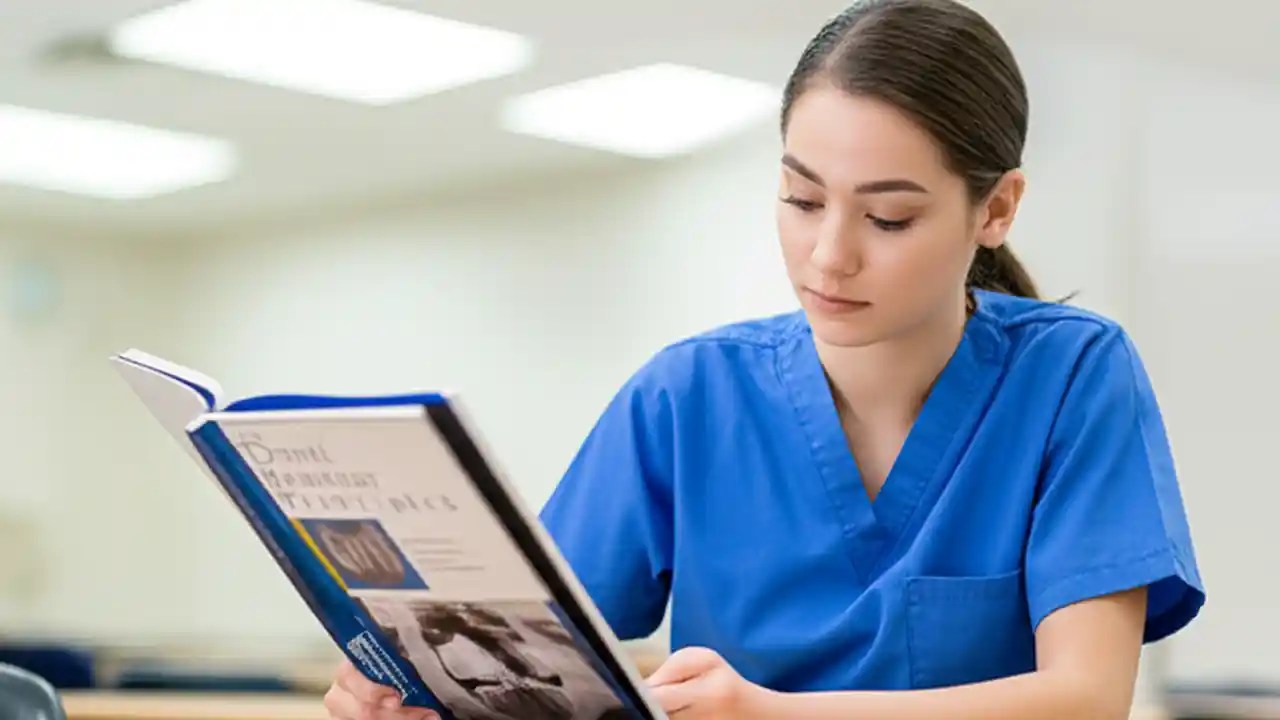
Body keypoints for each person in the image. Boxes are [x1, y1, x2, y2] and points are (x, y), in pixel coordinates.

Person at [322, 0, 1204, 718]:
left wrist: (772, 713)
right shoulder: (688, 396)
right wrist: (413, 694)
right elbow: (530, 658)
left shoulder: (1072, 379)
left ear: (996, 210)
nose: (828, 255)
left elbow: (1085, 698)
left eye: (887, 217)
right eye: (801, 198)